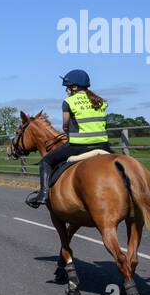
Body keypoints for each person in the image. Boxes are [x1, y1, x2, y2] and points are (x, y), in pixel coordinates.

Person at [24, 69, 113, 208]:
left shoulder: (69, 102)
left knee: (46, 161)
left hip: (79, 145)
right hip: (103, 145)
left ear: (75, 87)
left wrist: (69, 132)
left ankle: (43, 194)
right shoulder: (100, 101)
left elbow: (66, 125)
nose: (66, 90)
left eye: (68, 86)